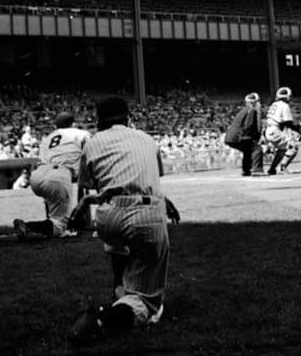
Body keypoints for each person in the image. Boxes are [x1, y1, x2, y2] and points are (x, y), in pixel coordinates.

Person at [68, 96, 181, 347]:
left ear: (99, 121)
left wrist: (84, 206)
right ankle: (102, 318)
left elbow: (96, 186)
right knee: (147, 302)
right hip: (146, 213)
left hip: (108, 218)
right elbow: (146, 179)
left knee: (118, 239)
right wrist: (163, 201)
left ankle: (119, 288)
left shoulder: (92, 143)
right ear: (128, 118)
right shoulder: (146, 139)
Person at [14, 111, 90, 241]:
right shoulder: (81, 133)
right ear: (73, 124)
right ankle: (28, 226)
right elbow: (89, 154)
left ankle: (50, 223)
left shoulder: (48, 138)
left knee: (53, 203)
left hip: (38, 175)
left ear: (56, 126)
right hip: (59, 174)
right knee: (61, 225)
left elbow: (42, 159)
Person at [262, 86, 301, 175]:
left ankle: (272, 169)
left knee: (282, 149)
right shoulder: (284, 105)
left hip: (269, 130)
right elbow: (288, 123)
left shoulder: (275, 104)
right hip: (275, 130)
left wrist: (297, 127)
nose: (290, 98)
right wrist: (299, 129)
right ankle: (283, 167)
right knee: (293, 147)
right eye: (289, 96)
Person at [223, 92, 265, 176]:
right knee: (257, 149)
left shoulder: (243, 110)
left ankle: (246, 170)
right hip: (239, 136)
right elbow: (249, 125)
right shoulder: (252, 110)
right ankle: (257, 170)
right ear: (254, 102)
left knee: (248, 150)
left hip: (230, 137)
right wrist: (253, 138)